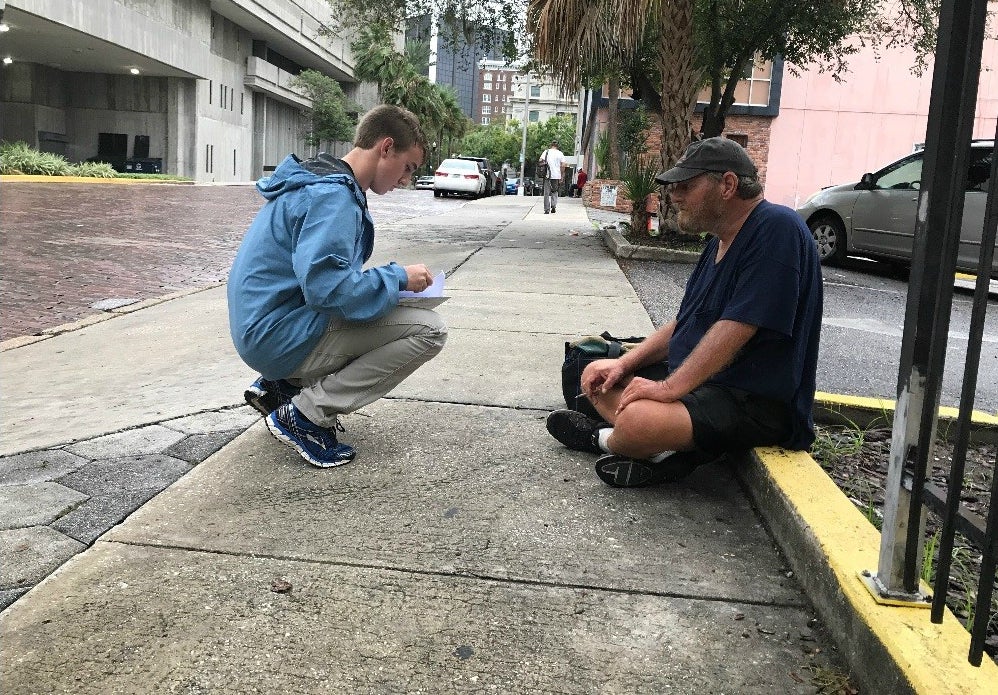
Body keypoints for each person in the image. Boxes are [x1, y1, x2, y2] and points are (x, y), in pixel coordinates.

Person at [545, 137, 823, 487]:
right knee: (593, 374)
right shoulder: (718, 243)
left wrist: (668, 388)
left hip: (750, 401)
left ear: (728, 185)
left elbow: (738, 327)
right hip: (701, 382)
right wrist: (623, 365)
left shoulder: (777, 227)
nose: (674, 196)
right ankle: (663, 451)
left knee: (639, 420)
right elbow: (684, 324)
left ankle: (604, 439)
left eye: (686, 186)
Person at [227, 105, 447, 468]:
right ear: (386, 147)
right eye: (408, 167)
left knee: (390, 308)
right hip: (274, 337)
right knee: (429, 330)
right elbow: (327, 290)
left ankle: (282, 386)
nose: (406, 180)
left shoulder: (321, 180)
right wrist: (398, 278)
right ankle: (306, 416)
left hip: (264, 326)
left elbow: (320, 280)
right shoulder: (333, 197)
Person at [537, 140, 566, 213]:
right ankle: (553, 206)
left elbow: (540, 160)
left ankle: (546, 209)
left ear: (551, 145)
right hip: (556, 175)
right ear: (557, 146)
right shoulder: (560, 153)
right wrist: (562, 175)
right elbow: (563, 165)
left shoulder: (546, 152)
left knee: (546, 193)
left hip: (547, 175)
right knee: (554, 191)